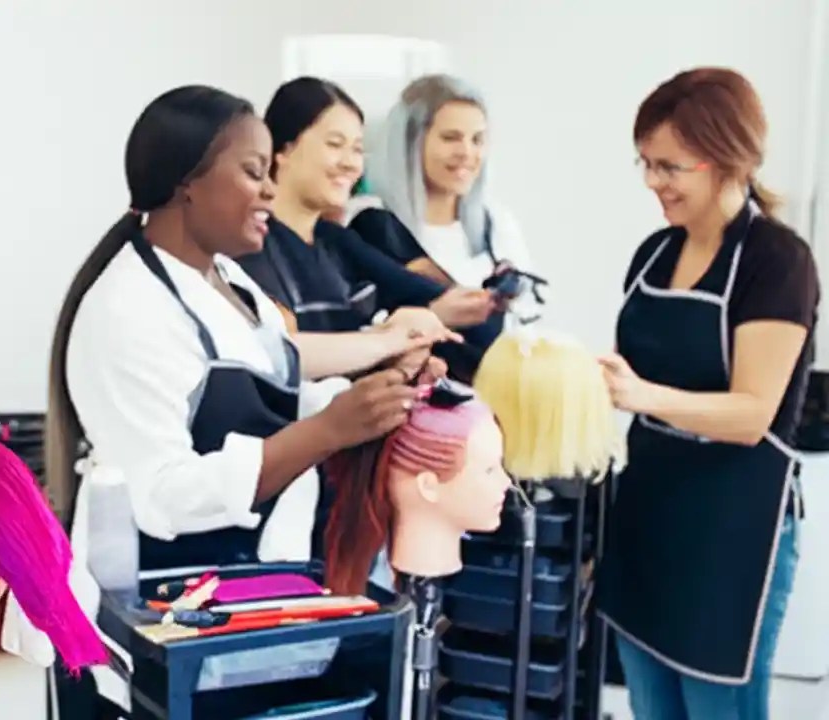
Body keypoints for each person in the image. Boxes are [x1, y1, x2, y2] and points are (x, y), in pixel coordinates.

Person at [44, 85, 446, 719]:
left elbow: (277, 387)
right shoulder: (128, 311)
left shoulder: (228, 281)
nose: (269, 191)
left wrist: (378, 390)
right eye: (255, 172)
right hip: (154, 626)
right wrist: (329, 431)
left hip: (242, 594)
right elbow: (165, 495)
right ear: (187, 183)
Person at [595, 67, 818, 720]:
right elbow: (636, 381)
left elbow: (753, 414)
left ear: (727, 157)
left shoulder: (777, 262)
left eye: (669, 166)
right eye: (646, 163)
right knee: (649, 704)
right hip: (650, 518)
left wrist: (640, 394)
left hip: (731, 533)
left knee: (718, 707)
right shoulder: (653, 255)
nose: (652, 182)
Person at [235, 77, 460, 337]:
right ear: (284, 148)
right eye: (334, 144)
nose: (351, 164)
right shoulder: (247, 245)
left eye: (357, 149)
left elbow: (421, 292)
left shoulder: (337, 243)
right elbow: (285, 355)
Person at [351, 74, 537, 381]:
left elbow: (526, 324)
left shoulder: (498, 224)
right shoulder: (372, 226)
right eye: (451, 138)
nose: (467, 153)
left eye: (477, 139)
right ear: (411, 143)